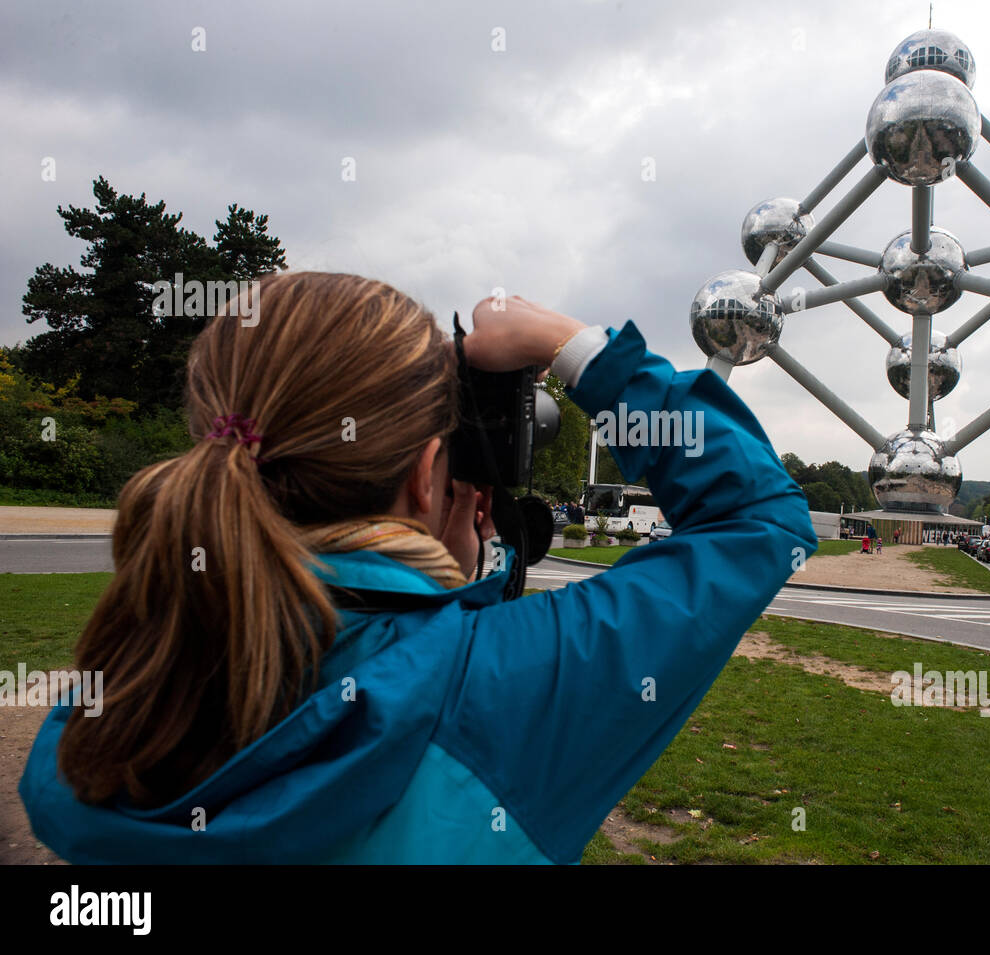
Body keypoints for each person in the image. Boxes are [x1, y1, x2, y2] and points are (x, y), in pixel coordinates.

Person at [20, 272, 816, 864]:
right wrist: (570, 345)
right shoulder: (502, 685)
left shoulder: (122, 683)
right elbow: (759, 519)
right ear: (429, 471)